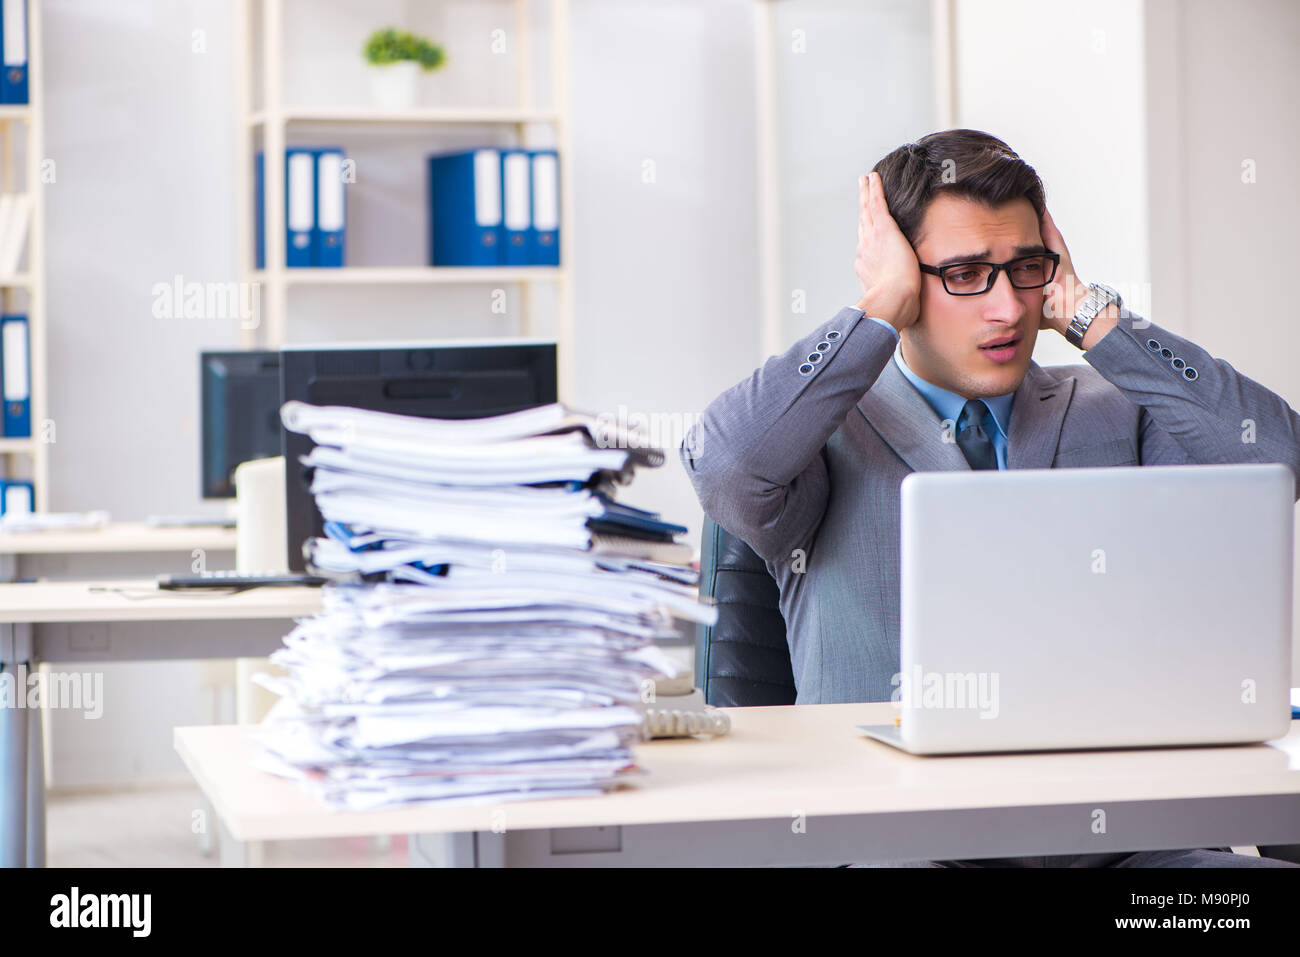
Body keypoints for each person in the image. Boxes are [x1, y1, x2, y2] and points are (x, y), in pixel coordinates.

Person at [680, 129, 1300, 868]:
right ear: (906, 277)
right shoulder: (821, 436)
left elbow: (1277, 462)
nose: (1009, 308)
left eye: (1027, 269)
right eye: (968, 274)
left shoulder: (1119, 411)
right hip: (902, 844)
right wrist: (873, 314)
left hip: (1125, 851)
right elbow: (723, 465)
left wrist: (1090, 316)